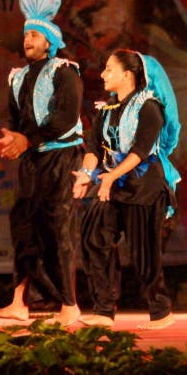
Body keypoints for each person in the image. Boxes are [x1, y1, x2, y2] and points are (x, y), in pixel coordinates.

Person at [0, 0, 83, 326]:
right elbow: (14, 117)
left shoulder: (65, 71)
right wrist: (12, 138)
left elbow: (66, 118)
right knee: (23, 226)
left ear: (50, 41)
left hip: (61, 158)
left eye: (34, 35)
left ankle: (69, 305)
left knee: (57, 228)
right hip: (32, 161)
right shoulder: (18, 76)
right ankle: (19, 301)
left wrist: (27, 140)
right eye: (26, 34)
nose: (27, 39)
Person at [73, 49, 180, 329]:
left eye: (109, 69)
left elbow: (141, 151)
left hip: (144, 186)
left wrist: (109, 177)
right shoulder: (107, 110)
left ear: (128, 75)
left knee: (144, 251)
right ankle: (104, 309)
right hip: (114, 185)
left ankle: (160, 311)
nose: (103, 74)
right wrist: (86, 174)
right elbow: (94, 148)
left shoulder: (150, 107)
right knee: (94, 237)